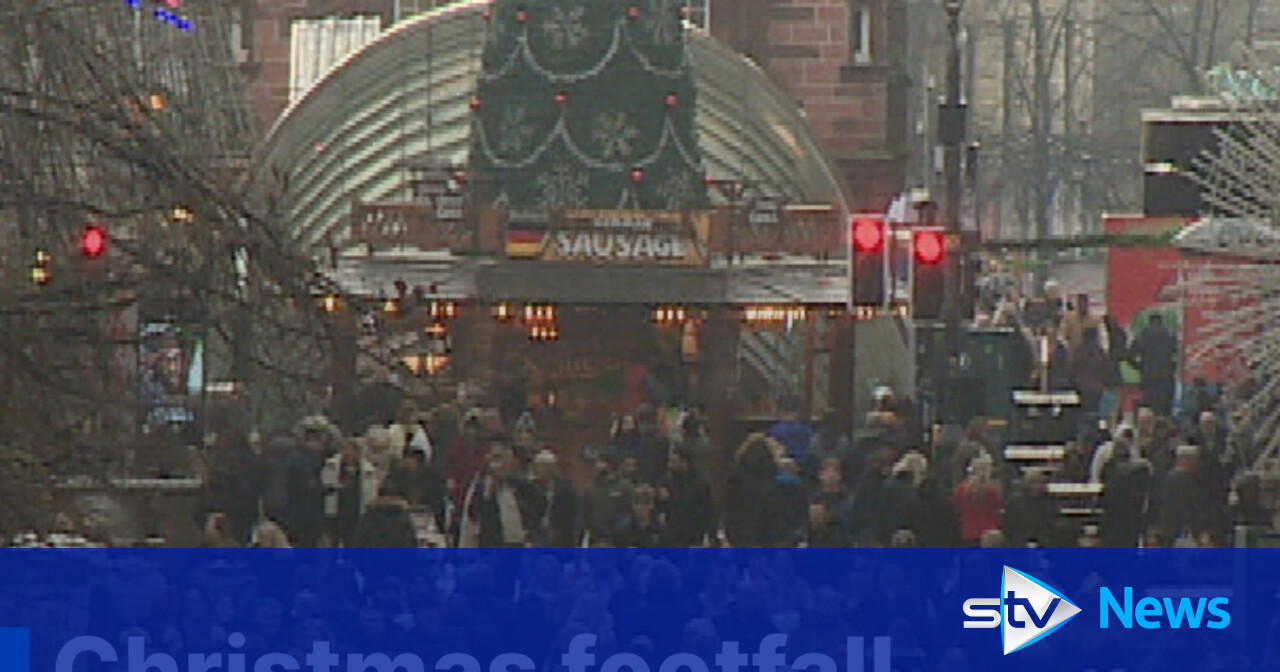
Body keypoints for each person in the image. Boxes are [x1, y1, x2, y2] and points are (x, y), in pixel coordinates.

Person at [658, 445, 715, 547]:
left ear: (684, 462)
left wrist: (711, 534)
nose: (669, 465)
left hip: (693, 535)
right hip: (672, 535)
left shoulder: (700, 484)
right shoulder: (667, 482)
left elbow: (708, 510)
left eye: (674, 461)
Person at [527, 450, 580, 547]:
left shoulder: (565, 490)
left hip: (560, 539)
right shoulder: (532, 488)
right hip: (537, 537)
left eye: (539, 466)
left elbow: (571, 519)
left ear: (549, 467)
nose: (536, 470)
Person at [1132, 314, 1178, 416]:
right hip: (1165, 376)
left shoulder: (1143, 336)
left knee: (1150, 406)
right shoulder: (1169, 336)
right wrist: (1172, 367)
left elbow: (1130, 355)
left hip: (1149, 376)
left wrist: (1139, 367)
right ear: (1161, 321)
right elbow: (1178, 355)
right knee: (1164, 406)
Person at [952, 454, 1002, 546]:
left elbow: (957, 510)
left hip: (967, 532)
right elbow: (996, 512)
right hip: (989, 534)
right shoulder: (992, 491)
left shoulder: (961, 490)